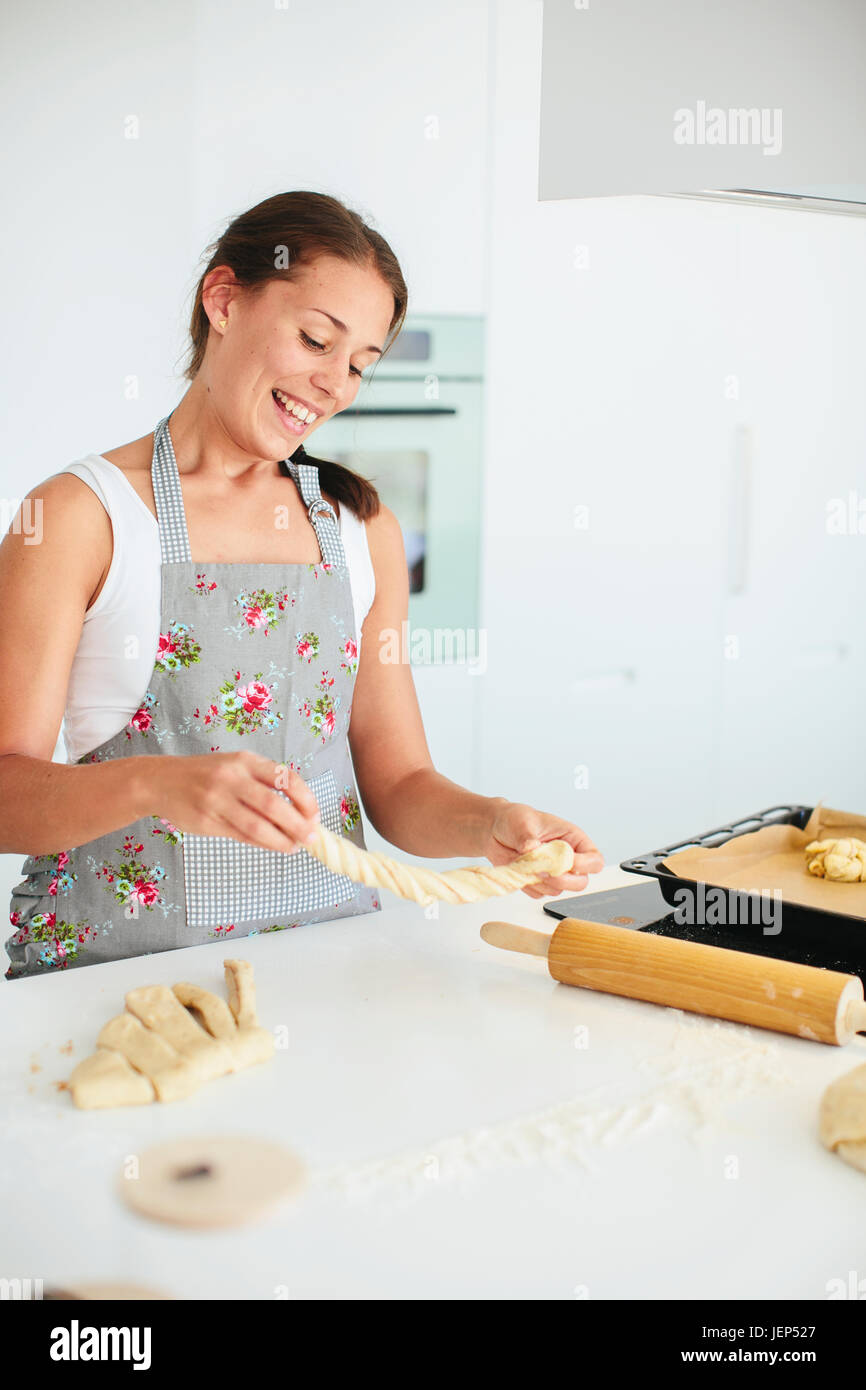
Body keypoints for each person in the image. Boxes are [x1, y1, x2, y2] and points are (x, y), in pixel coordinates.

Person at [0, 190, 603, 979]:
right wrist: (157, 782)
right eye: (316, 339)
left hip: (329, 979)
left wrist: (489, 824)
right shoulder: (81, 516)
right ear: (223, 301)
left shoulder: (361, 528)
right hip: (118, 989)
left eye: (359, 365)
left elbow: (399, 782)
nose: (334, 385)